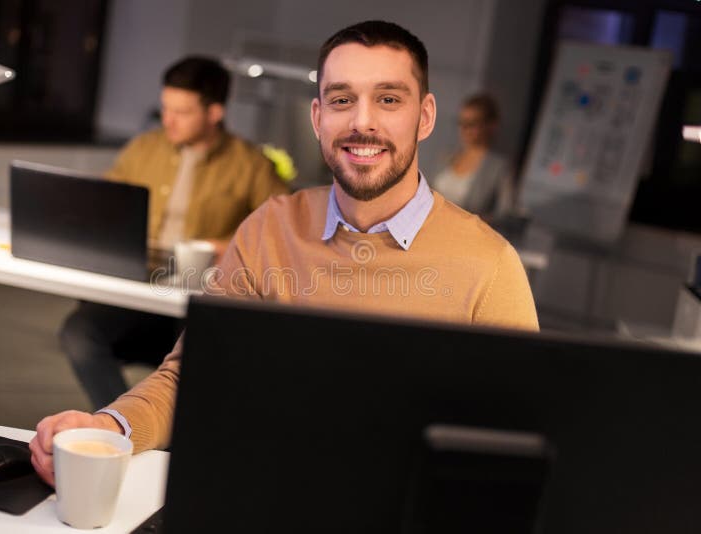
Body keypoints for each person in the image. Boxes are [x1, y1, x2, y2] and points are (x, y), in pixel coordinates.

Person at [31, 20, 538, 486]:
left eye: (388, 99)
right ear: (318, 117)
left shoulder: (490, 265)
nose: (363, 122)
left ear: (424, 117)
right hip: (261, 494)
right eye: (341, 100)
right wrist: (106, 425)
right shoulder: (270, 228)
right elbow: (193, 377)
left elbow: (515, 444)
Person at [59, 56, 289, 410]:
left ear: (215, 113)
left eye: (182, 112)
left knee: (197, 356)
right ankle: (122, 422)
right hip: (137, 289)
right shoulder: (144, 148)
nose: (168, 119)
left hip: (194, 299)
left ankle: (170, 432)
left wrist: (227, 246)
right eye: (166, 107)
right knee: (78, 334)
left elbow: (283, 229)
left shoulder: (250, 164)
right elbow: (102, 207)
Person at [430, 93, 515, 219]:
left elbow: (505, 215)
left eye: (472, 123)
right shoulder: (447, 156)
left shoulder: (499, 168)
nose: (464, 129)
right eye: (461, 122)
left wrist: (476, 223)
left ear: (490, 126)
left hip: (462, 234)